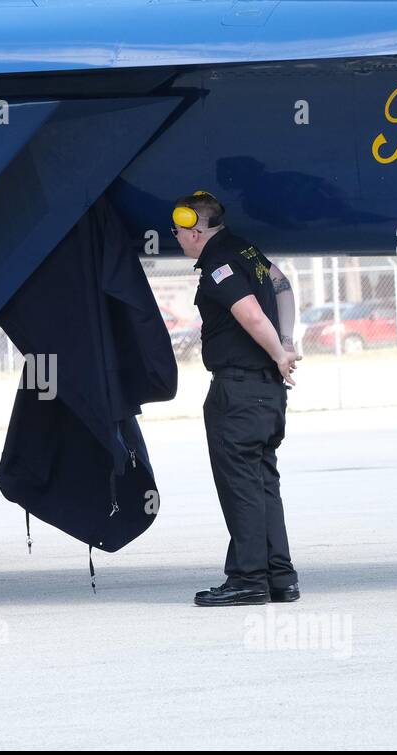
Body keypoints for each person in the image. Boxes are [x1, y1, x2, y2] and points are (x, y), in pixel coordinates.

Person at [170, 191, 302, 607]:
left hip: (239, 392)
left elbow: (248, 312)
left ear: (195, 231)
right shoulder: (246, 248)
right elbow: (282, 285)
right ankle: (280, 577)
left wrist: (280, 353)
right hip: (266, 393)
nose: (174, 238)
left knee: (242, 486)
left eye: (177, 232)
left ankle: (248, 579)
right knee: (263, 484)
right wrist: (284, 342)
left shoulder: (218, 262)